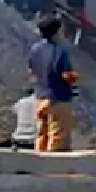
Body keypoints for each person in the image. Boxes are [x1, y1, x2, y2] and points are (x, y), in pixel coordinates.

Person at [28, 14, 77, 152]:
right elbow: (65, 75)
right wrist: (75, 77)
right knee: (58, 139)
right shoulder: (60, 51)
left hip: (40, 98)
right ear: (56, 32)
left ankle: (37, 168)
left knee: (42, 136)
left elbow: (31, 70)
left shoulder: (35, 50)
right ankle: (54, 171)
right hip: (58, 99)